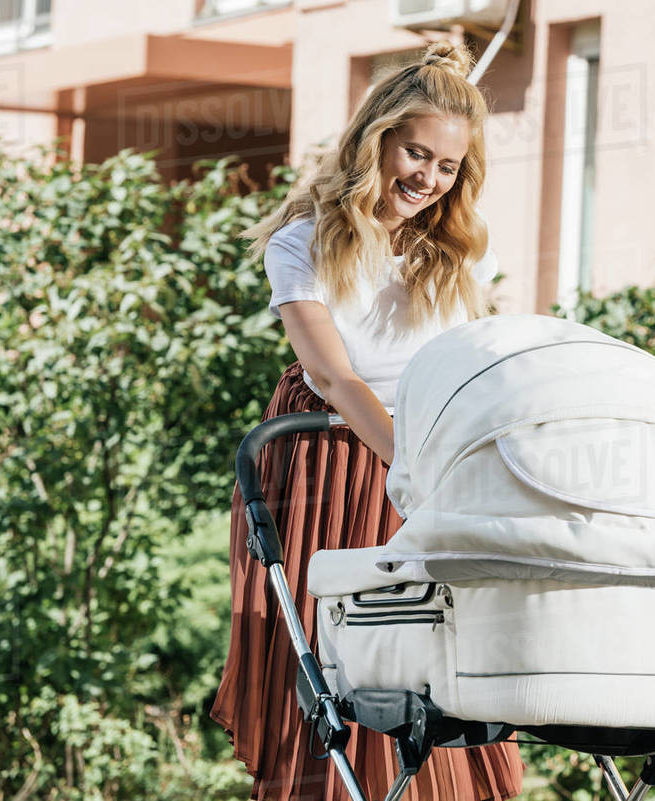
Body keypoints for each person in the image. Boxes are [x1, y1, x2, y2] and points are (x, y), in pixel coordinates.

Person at [211, 41, 524, 801]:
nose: (427, 177)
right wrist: (409, 462)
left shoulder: (446, 260)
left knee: (426, 654)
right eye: (415, 152)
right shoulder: (304, 242)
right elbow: (331, 373)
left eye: (447, 166)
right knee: (333, 658)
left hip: (417, 461)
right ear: (375, 139)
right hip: (325, 459)